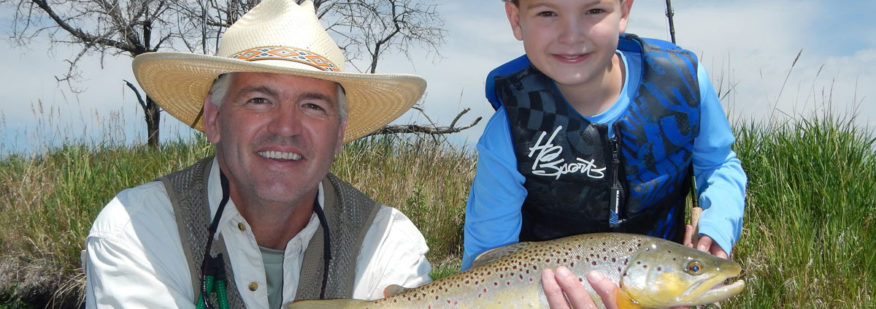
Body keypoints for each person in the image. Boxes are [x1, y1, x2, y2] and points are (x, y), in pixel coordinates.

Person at [82, 1, 432, 308]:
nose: (285, 127)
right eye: (259, 100)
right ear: (215, 119)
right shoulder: (138, 231)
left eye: (312, 105)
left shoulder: (385, 240)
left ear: (338, 135)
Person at [464, 0, 747, 306]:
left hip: (663, 286)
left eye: (593, 11)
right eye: (547, 13)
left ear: (623, 12)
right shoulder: (508, 129)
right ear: (516, 19)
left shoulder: (684, 83)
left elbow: (719, 164)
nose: (571, 36)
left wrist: (719, 224)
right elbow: (486, 260)